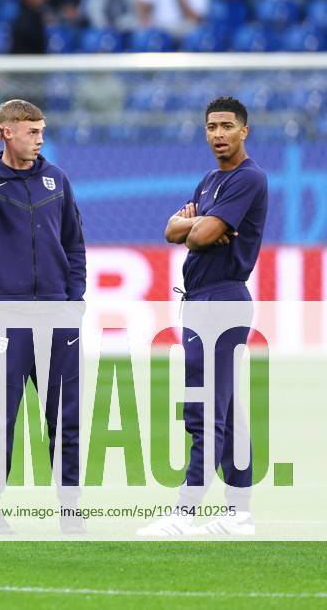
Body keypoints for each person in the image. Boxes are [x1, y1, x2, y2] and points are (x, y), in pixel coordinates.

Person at [0, 99, 87, 535]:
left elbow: (74, 244)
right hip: (5, 318)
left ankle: (70, 512)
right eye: (32, 131)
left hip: (55, 317)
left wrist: (74, 302)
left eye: (42, 131)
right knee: (1, 419)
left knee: (64, 417)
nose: (40, 139)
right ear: (7, 132)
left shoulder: (57, 179)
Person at [141, 96, 267, 537]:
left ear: (244, 131)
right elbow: (171, 230)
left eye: (227, 126)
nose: (218, 134)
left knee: (205, 404)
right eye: (212, 126)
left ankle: (187, 510)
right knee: (226, 408)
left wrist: (196, 226)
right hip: (200, 299)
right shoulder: (211, 180)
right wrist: (194, 226)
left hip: (221, 298)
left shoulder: (248, 179)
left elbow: (198, 235)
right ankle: (239, 512)